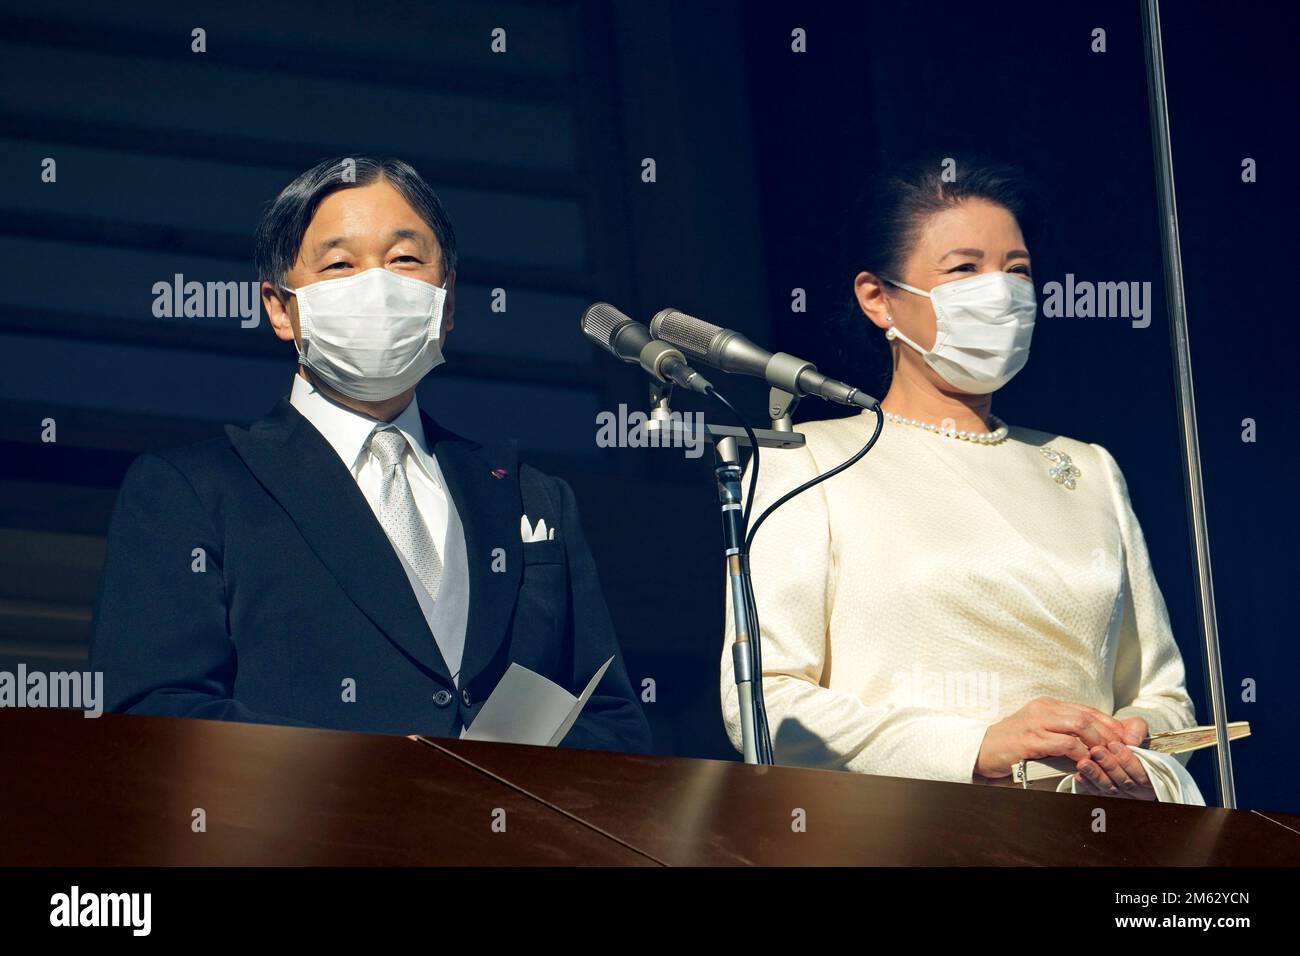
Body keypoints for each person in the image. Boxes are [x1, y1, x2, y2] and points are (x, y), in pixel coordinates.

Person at [90, 156, 651, 753]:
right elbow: (153, 713)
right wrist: (377, 779)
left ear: (448, 300)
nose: (378, 286)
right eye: (340, 264)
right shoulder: (191, 491)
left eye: (405, 259)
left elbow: (612, 721)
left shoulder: (530, 495)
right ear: (281, 308)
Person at [720, 159, 1201, 802]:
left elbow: (1163, 696)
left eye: (1017, 270)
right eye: (964, 269)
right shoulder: (807, 461)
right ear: (878, 298)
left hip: (1095, 839)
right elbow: (766, 699)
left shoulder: (1088, 469)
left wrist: (1144, 753)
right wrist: (974, 749)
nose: (1000, 291)